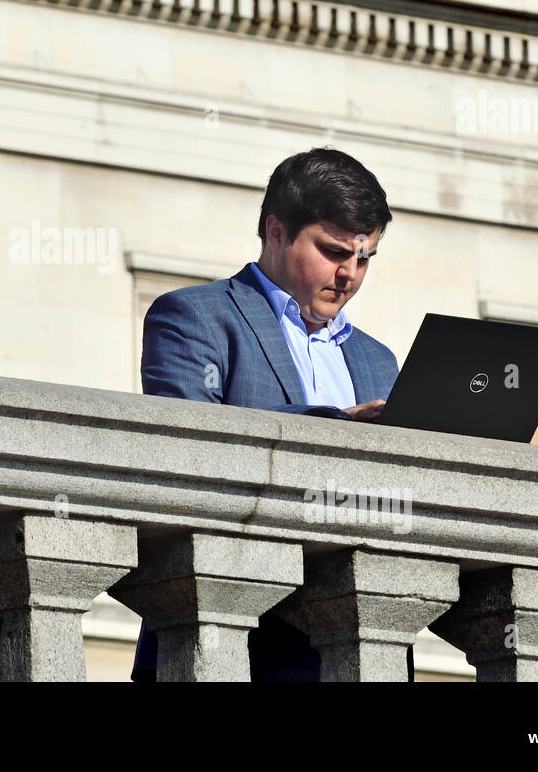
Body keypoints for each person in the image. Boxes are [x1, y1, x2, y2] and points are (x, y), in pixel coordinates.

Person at [130, 146, 413, 682]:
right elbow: (190, 455)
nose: (349, 274)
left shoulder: (378, 360)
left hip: (364, 646)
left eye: (365, 257)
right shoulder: (193, 317)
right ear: (276, 231)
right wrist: (338, 425)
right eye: (332, 251)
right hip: (230, 636)